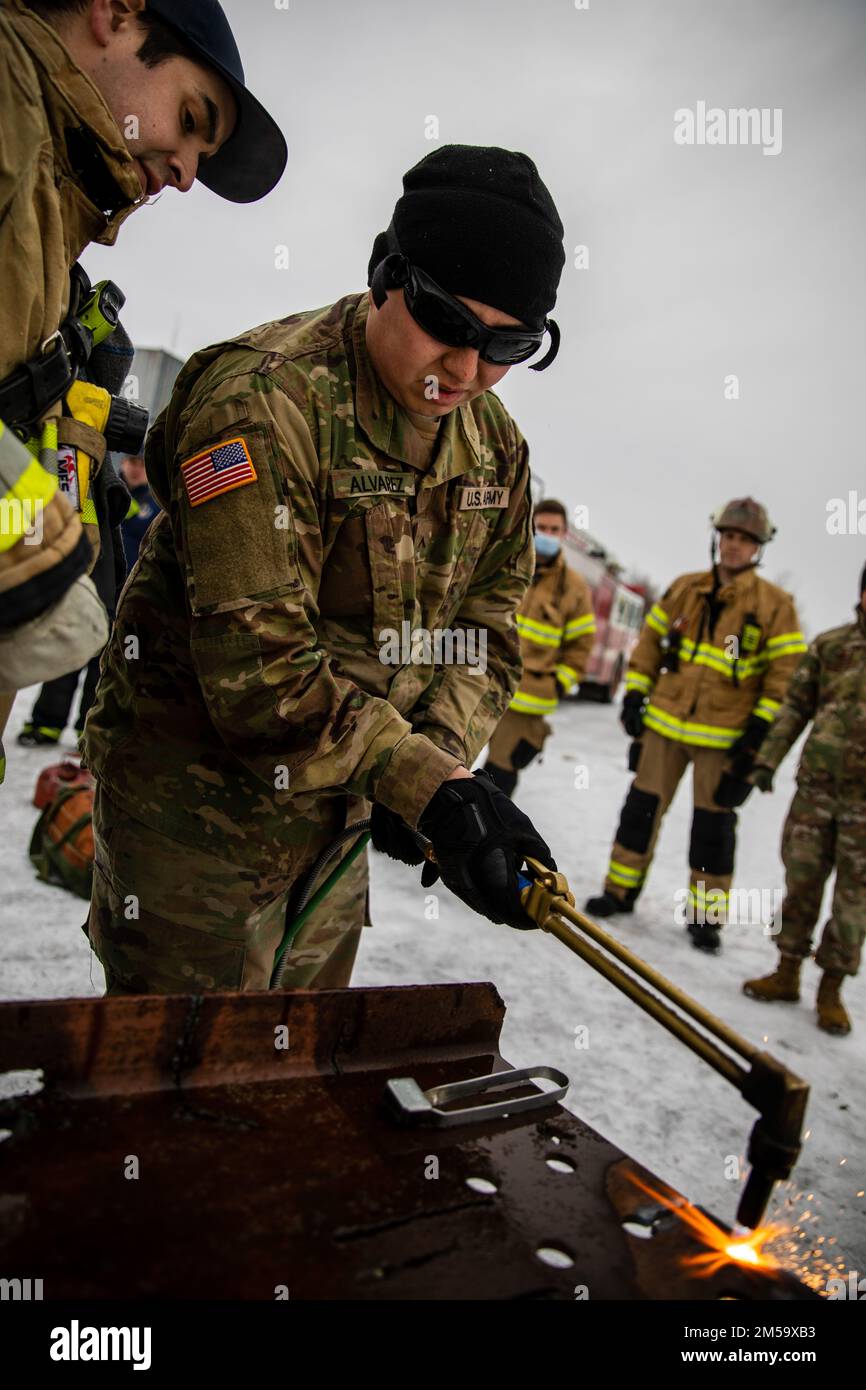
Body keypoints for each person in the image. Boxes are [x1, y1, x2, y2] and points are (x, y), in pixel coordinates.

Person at [82, 144, 568, 995]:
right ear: (387, 272)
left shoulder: (494, 444)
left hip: (339, 829)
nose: (467, 371)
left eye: (509, 345)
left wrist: (438, 768)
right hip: (199, 829)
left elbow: (483, 632)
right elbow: (262, 674)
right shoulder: (263, 401)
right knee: (182, 1090)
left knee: (303, 1073)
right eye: (449, 324)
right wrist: (427, 782)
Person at [0, 0, 287, 780]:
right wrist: (43, 560)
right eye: (191, 118)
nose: (188, 174)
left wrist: (68, 435)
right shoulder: (9, 110)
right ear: (116, 11)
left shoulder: (49, 184)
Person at [585, 498, 806, 953]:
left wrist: (758, 733)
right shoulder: (685, 588)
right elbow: (648, 645)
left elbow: (785, 675)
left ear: (758, 548)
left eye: (744, 540)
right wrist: (634, 694)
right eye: (728, 536)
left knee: (713, 830)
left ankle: (705, 920)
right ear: (717, 538)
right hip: (664, 728)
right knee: (639, 813)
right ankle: (619, 892)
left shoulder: (775, 606)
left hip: (722, 740)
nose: (734, 546)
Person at [742, 564, 866, 1035]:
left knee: (855, 899)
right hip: (817, 791)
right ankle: (787, 970)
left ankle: (831, 987)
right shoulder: (832, 646)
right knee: (802, 881)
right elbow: (796, 707)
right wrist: (766, 761)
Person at [484, 498, 595, 795]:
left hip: (527, 699)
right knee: (447, 763)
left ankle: (483, 840)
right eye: (541, 527)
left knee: (499, 778)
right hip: (480, 682)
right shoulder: (504, 562)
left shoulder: (575, 588)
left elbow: (581, 647)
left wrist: (558, 684)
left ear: (565, 534)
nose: (547, 534)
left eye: (554, 529)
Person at [118, 453, 161, 571]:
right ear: (123, 462)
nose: (136, 469)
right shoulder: (106, 495)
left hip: (139, 579)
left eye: (142, 464)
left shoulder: (158, 504)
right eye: (132, 462)